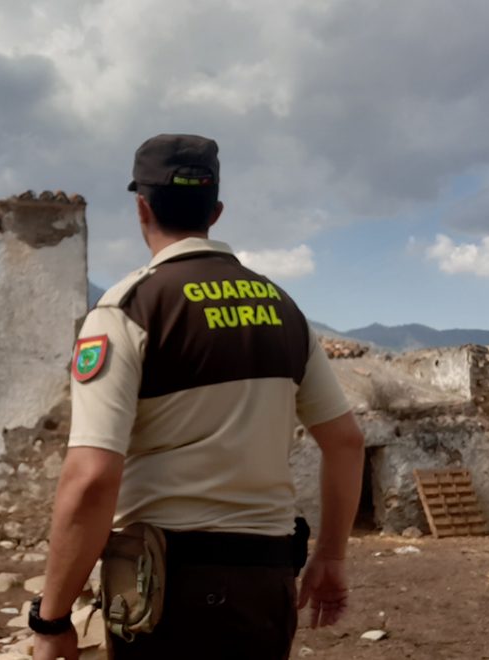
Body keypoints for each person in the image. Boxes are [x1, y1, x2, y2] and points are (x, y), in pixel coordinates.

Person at [32, 134, 365, 660]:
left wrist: (50, 620)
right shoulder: (285, 311)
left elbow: (93, 476)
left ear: (141, 208)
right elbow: (346, 442)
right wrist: (332, 557)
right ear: (216, 210)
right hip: (268, 587)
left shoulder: (127, 310)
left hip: (165, 594)